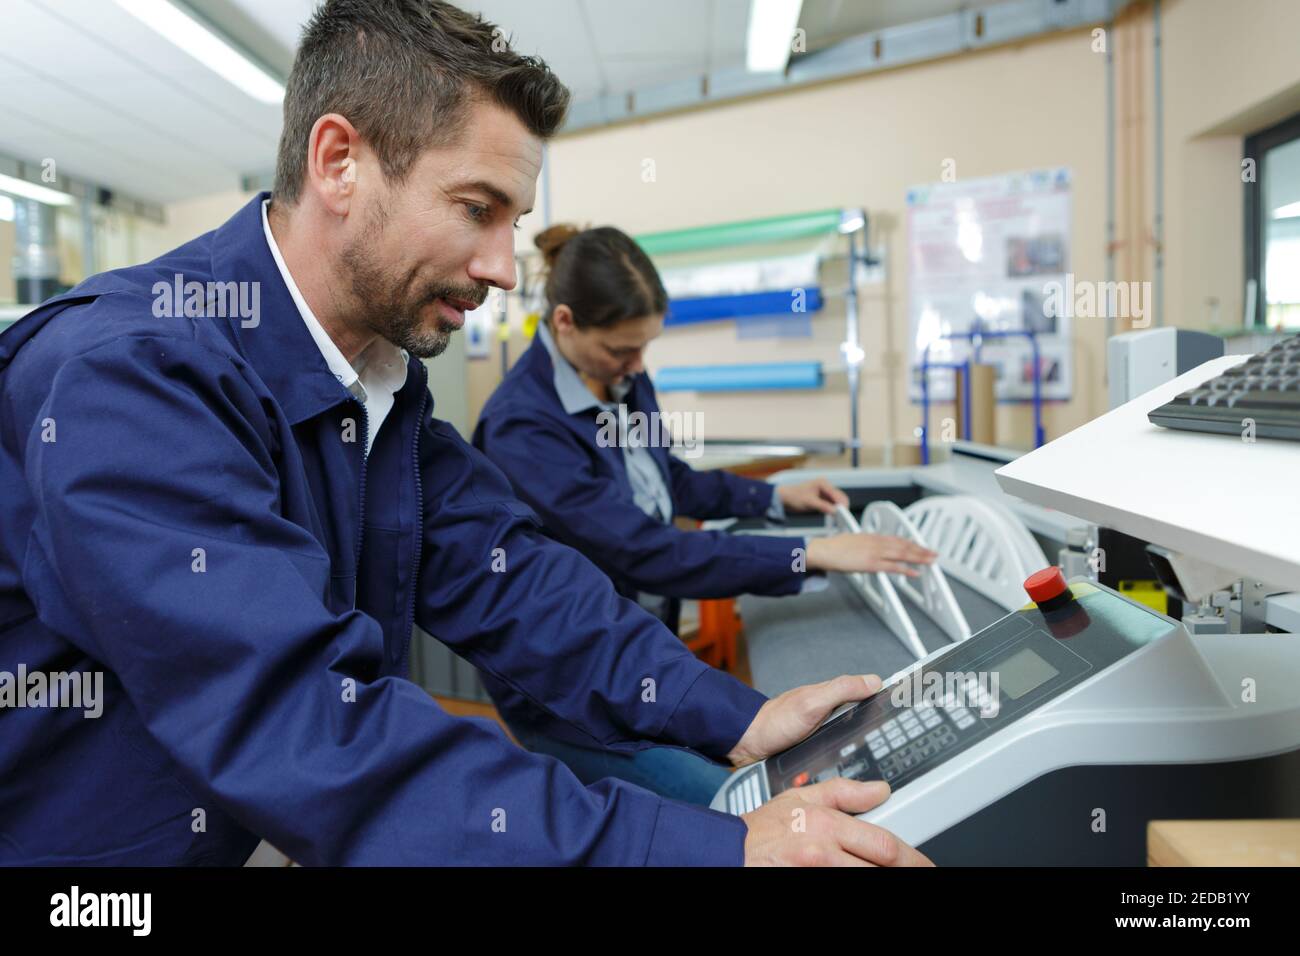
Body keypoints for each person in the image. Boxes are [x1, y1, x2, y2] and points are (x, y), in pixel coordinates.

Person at [0, 0, 931, 867]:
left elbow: (513, 578)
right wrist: (716, 850)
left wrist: (737, 714)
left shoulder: (373, 379)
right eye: (476, 209)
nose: (503, 269)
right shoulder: (125, 376)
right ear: (339, 163)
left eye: (514, 222)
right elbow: (308, 721)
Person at [472, 224, 935, 803]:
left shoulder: (619, 380)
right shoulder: (524, 428)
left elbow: (672, 482)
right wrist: (808, 552)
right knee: (728, 804)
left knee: (746, 776)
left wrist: (771, 498)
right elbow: (643, 550)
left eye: (644, 347)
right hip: (568, 687)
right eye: (621, 349)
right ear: (563, 322)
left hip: (637, 655)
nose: (638, 365)